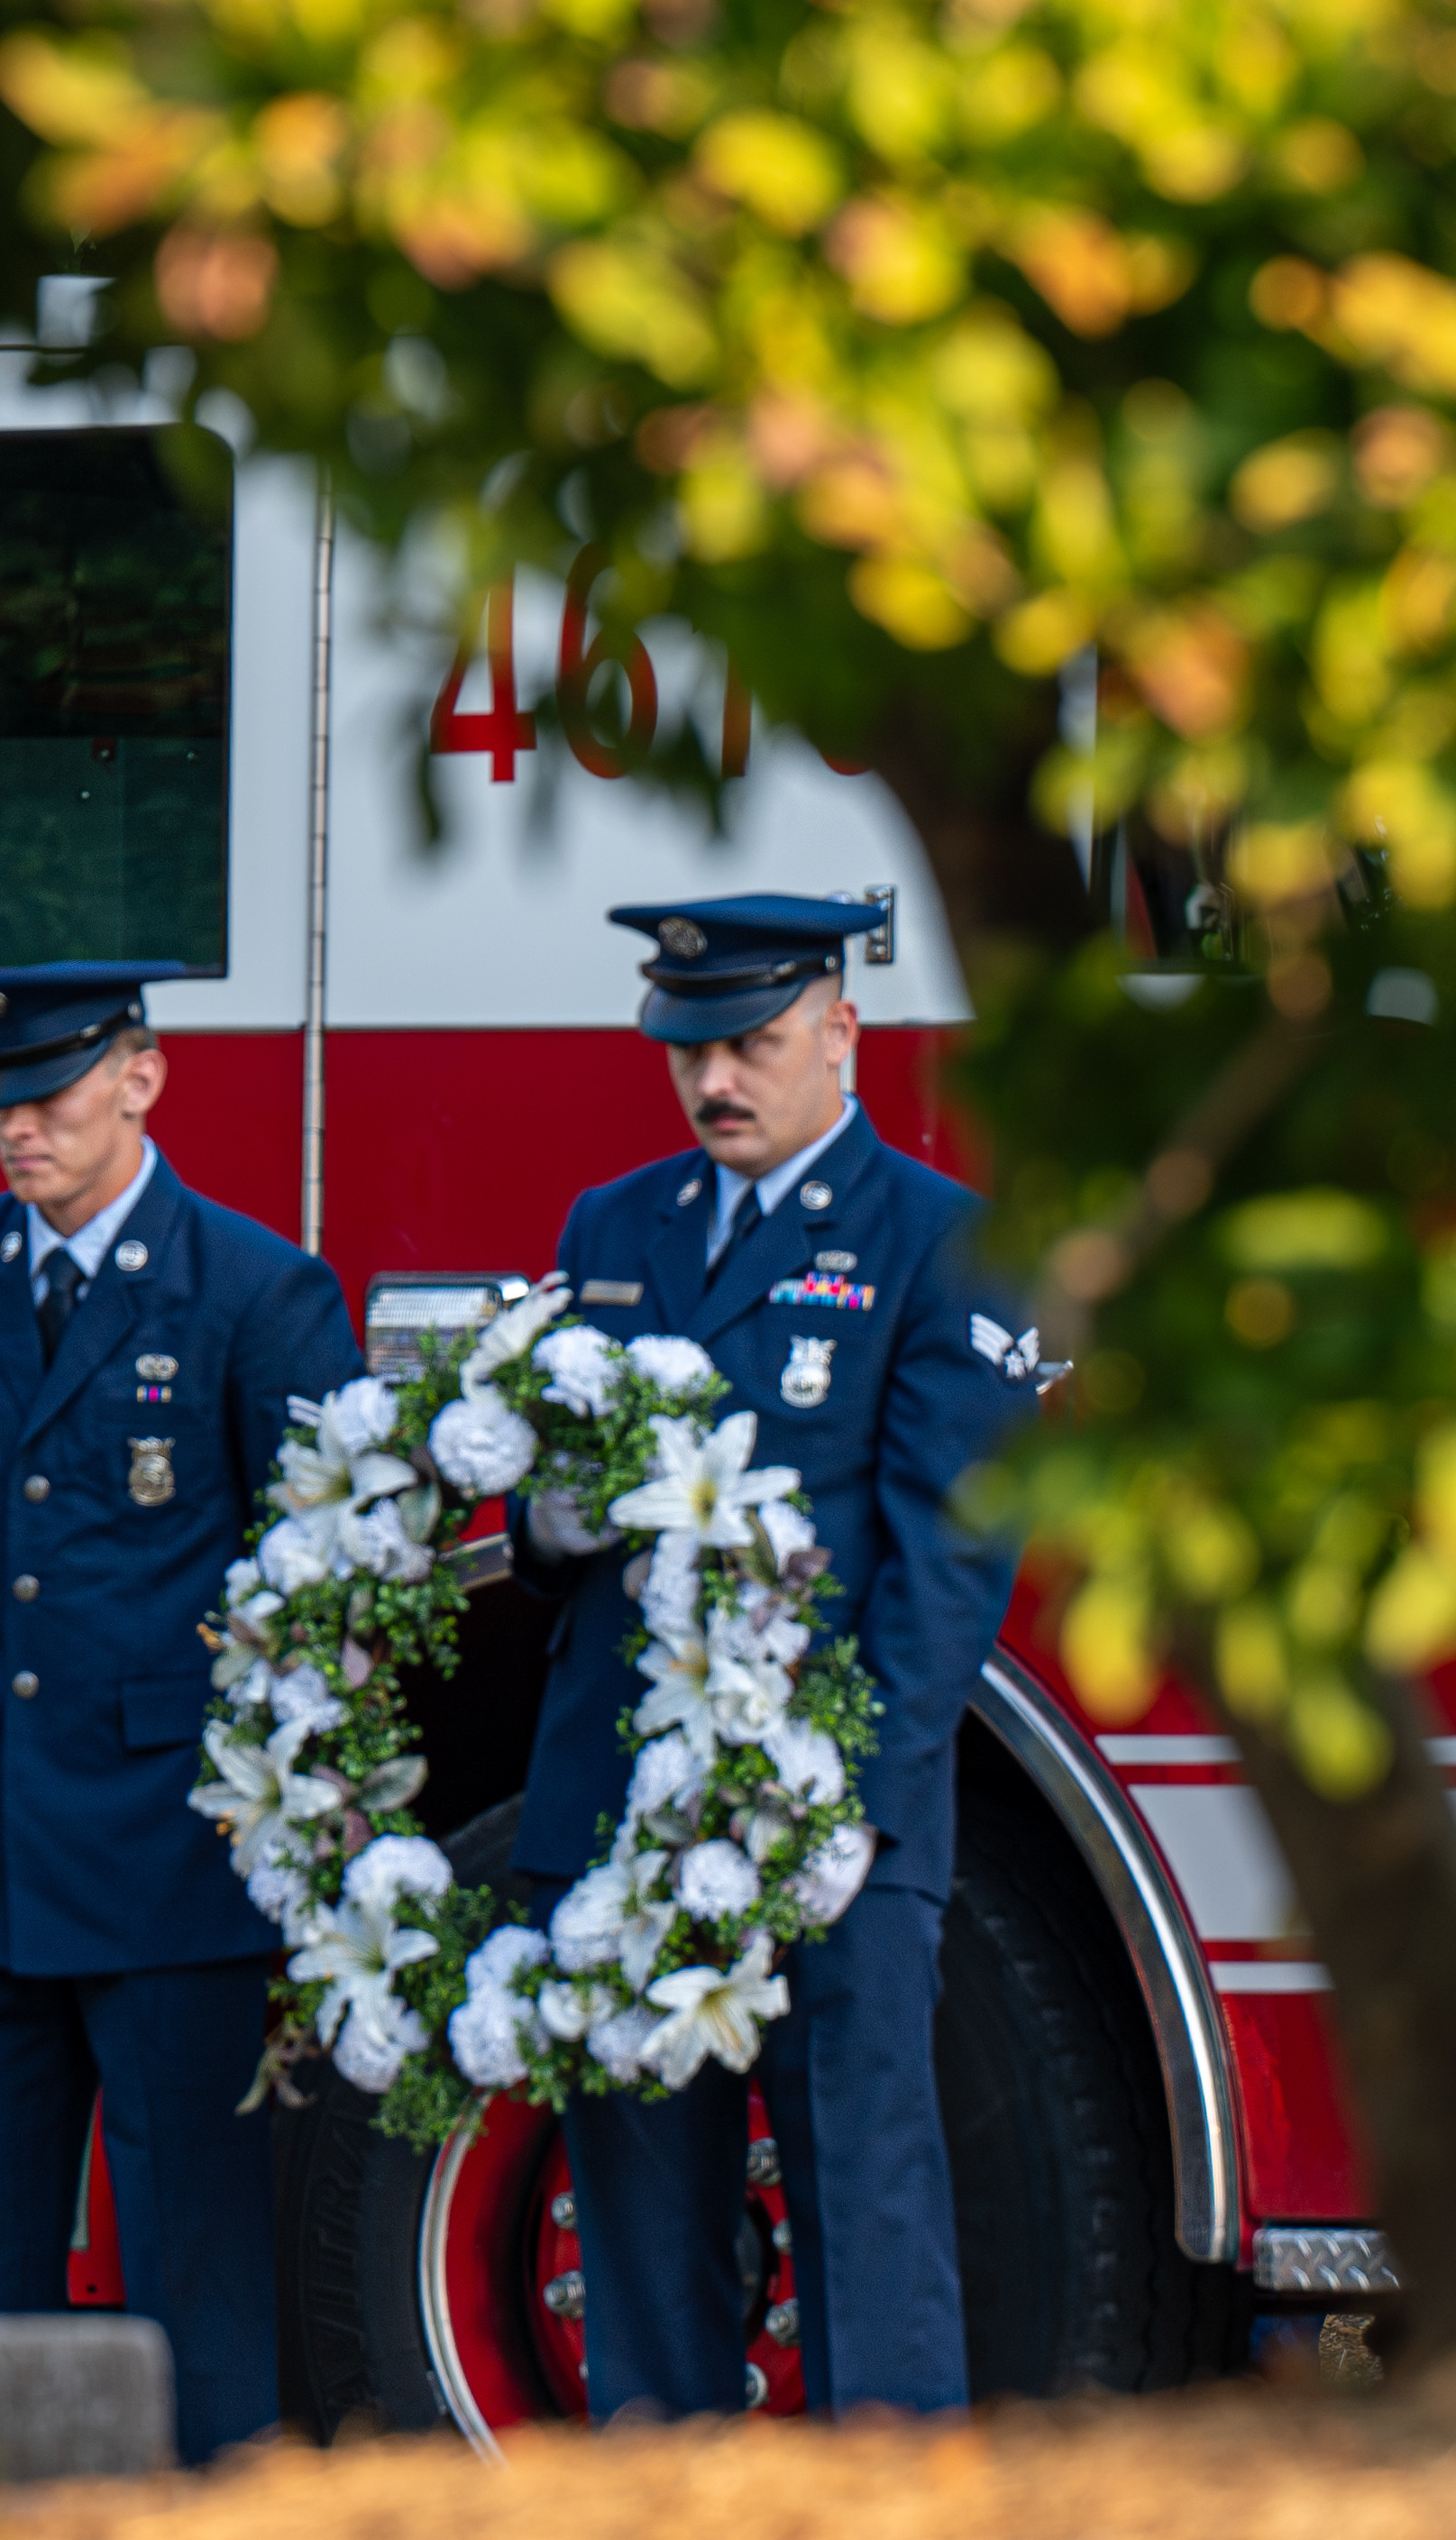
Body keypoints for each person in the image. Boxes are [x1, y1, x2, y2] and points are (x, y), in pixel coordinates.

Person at [522, 892, 1042, 2418]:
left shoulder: (941, 1246)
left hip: (829, 1828)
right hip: (619, 1804)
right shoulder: (612, 1229)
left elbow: (945, 1570)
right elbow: (553, 1516)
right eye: (688, 1048)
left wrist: (849, 1816)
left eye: (750, 1041)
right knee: (636, 2215)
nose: (713, 1082)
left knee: (864, 2208)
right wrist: (544, 1518)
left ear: (839, 1032)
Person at [0, 961, 363, 2462]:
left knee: (191, 2277)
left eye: (45, 1092)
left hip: (171, 1851)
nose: (14, 1127)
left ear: (141, 1079)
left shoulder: (254, 1290)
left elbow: (319, 1580)